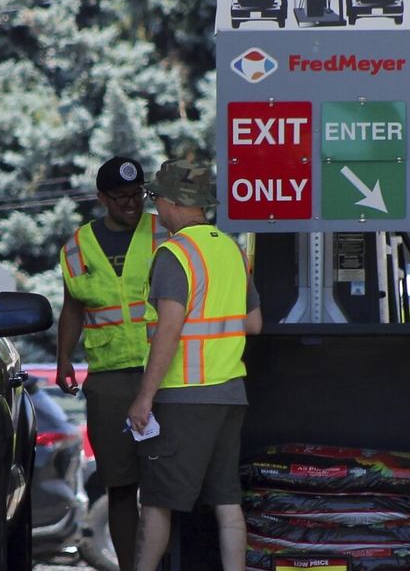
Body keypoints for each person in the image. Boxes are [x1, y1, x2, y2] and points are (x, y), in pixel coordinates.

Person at [125, 160, 262, 571]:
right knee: (227, 501)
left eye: (155, 200)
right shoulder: (232, 250)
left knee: (156, 503)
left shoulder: (174, 254)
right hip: (230, 395)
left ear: (170, 202)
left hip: (185, 397)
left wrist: (144, 397)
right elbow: (254, 323)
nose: (154, 209)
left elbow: (169, 329)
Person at [56, 156, 166, 571]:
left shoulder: (163, 232)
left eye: (136, 194)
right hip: (108, 380)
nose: (131, 204)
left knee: (167, 487)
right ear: (101, 198)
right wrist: (64, 358)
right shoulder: (78, 245)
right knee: (120, 486)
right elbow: (73, 307)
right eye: (120, 198)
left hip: (165, 373)